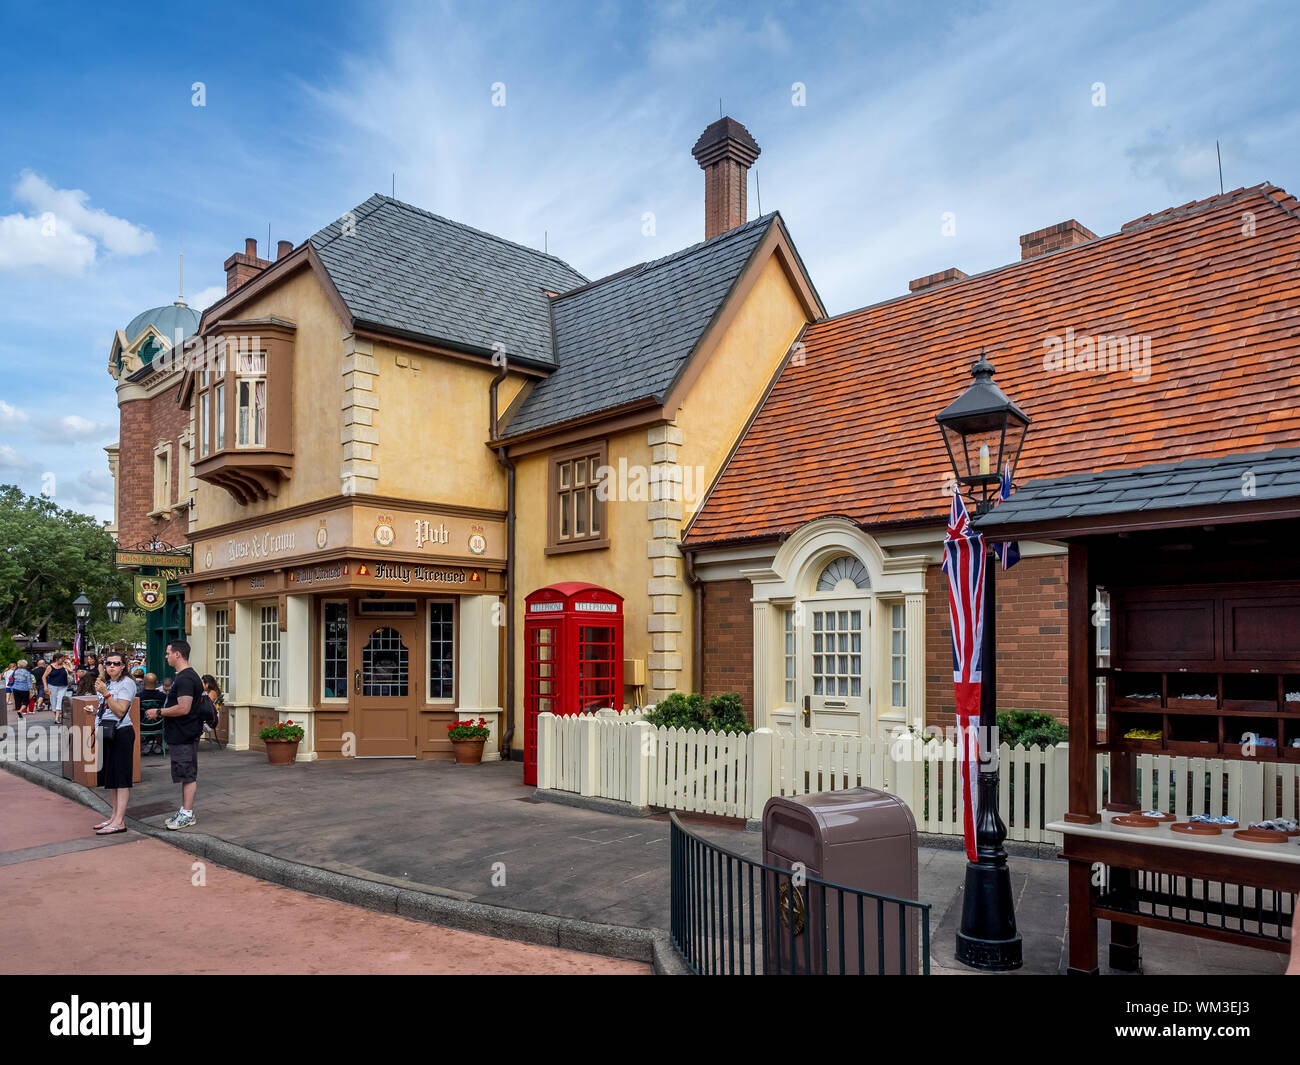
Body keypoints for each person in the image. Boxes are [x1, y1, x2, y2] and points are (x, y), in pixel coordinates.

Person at [145, 641, 202, 830]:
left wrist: (159, 712)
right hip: (182, 733)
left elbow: (184, 708)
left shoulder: (185, 678)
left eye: (168, 653)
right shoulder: (186, 676)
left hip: (184, 733)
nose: (166, 656)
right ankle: (185, 810)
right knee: (184, 773)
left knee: (187, 774)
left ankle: (187, 813)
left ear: (177, 654)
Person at [88, 654, 136, 834]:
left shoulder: (127, 684)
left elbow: (120, 710)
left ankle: (120, 821)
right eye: (108, 663)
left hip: (120, 733)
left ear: (123, 666)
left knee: (121, 778)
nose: (111, 667)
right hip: (106, 732)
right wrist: (95, 711)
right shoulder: (108, 683)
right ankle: (114, 816)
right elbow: (108, 708)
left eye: (116, 664)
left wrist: (105, 694)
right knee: (111, 778)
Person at [138, 673, 166, 755]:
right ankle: (158, 744)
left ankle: (144, 744)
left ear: (144, 682)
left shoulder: (138, 697)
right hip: (158, 725)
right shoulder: (163, 696)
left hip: (142, 726)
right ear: (156, 682)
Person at [200, 674, 225, 747]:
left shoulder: (212, 693)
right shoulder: (206, 692)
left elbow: (207, 707)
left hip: (211, 717)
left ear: (207, 684)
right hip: (206, 714)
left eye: (202, 682)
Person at [45, 654, 71, 720]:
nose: (63, 660)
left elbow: (71, 671)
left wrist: (68, 664)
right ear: (56, 659)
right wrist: (45, 686)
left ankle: (56, 718)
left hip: (63, 686)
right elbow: (43, 677)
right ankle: (57, 715)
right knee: (53, 702)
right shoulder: (50, 667)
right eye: (61, 659)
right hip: (52, 686)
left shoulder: (64, 665)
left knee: (60, 700)